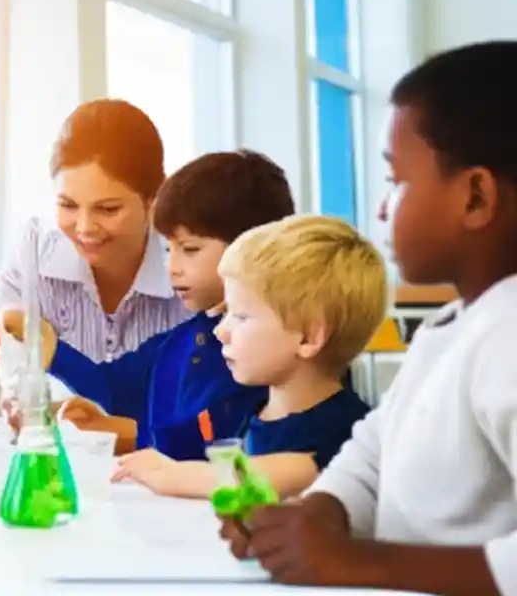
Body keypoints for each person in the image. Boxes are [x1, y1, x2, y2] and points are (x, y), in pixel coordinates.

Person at [221, 41, 517, 595]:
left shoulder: (508, 335)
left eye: (394, 180)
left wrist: (359, 563)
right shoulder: (451, 328)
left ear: (476, 196)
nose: (382, 208)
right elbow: (372, 455)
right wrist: (312, 518)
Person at [4, 150, 292, 458]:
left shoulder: (260, 350)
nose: (172, 267)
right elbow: (114, 387)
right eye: (168, 250)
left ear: (251, 249)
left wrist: (122, 433)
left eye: (190, 250)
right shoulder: (182, 339)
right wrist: (51, 349)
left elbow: (214, 442)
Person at [114, 215, 381, 499]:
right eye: (226, 312)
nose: (220, 331)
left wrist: (169, 473)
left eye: (240, 316)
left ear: (308, 338)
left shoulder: (350, 434)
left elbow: (252, 478)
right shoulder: (252, 409)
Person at [0, 100, 189, 420]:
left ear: (153, 199)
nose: (85, 228)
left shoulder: (188, 266)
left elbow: (189, 412)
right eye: (68, 206)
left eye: (108, 209)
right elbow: (20, 395)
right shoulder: (34, 247)